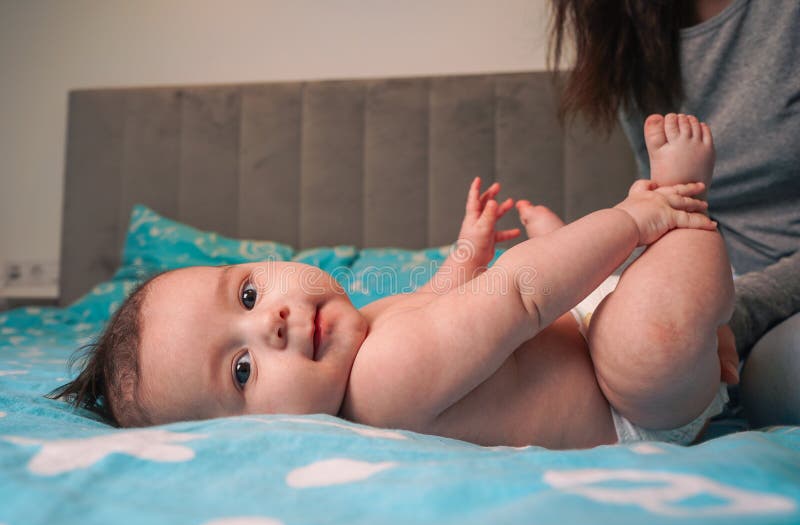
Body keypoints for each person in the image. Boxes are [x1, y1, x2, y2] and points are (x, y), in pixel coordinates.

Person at [50, 114, 734, 450]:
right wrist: (626, 217)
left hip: (577, 334)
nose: (271, 323)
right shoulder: (381, 377)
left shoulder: (359, 331)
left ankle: (630, 294)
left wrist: (465, 254)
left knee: (601, 304)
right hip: (634, 409)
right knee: (649, 342)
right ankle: (675, 203)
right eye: (241, 369)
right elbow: (521, 293)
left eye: (249, 295)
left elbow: (441, 305)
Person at [548, 0, 800, 425]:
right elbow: (656, 210)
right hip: (693, 282)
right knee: (569, 345)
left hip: (773, 291)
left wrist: (730, 314)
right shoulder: (625, 18)